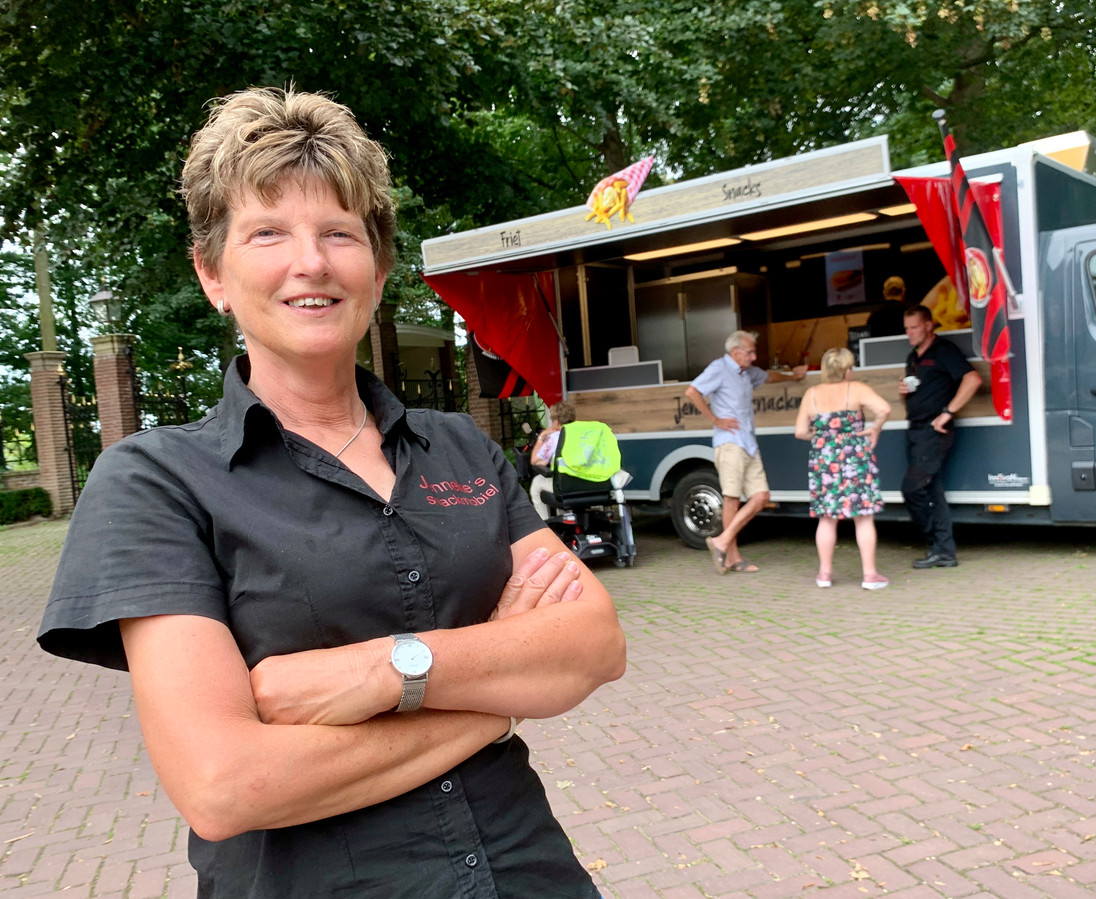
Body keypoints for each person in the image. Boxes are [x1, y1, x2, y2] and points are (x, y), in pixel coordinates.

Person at [37, 87, 625, 898]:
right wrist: (498, 698)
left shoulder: (457, 443)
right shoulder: (154, 482)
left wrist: (386, 670)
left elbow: (594, 644)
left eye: (339, 233)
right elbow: (225, 783)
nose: (310, 262)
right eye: (268, 232)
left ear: (378, 271)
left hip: (528, 873)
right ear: (214, 273)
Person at [685, 330, 804, 574]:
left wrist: (793, 376)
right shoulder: (719, 368)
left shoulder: (746, 372)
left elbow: (767, 376)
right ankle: (732, 557)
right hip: (729, 443)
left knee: (761, 497)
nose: (754, 356)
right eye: (750, 352)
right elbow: (692, 391)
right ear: (735, 351)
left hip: (748, 442)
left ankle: (722, 541)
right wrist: (715, 419)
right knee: (731, 498)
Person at [794, 348, 892, 589]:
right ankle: (869, 575)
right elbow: (884, 409)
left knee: (826, 518)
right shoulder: (856, 388)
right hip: (854, 456)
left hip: (824, 459)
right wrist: (875, 428)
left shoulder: (812, 393)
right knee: (864, 517)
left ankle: (824, 575)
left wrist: (823, 437)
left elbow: (800, 432)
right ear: (848, 370)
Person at [899, 304, 983, 569]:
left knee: (913, 488)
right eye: (906, 329)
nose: (909, 333)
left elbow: (973, 379)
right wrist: (904, 393)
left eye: (914, 327)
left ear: (928, 325)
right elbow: (915, 392)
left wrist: (948, 412)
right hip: (915, 429)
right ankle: (943, 551)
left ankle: (937, 542)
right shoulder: (912, 357)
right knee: (932, 489)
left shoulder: (944, 351)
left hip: (934, 431)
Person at [528, 400, 576, 519]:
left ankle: (545, 524)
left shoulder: (554, 437)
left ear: (555, 420)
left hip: (566, 484)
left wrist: (541, 437)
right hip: (588, 483)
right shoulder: (583, 434)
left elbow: (535, 461)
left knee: (537, 482)